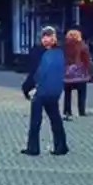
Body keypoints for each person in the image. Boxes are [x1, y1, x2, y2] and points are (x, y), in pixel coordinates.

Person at [21, 26, 68, 157]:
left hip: (41, 90)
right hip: (54, 90)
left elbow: (35, 73)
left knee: (36, 119)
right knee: (55, 118)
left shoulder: (38, 53)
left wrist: (26, 89)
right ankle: (61, 145)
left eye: (48, 36)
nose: (46, 39)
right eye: (44, 36)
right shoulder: (60, 53)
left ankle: (33, 148)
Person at [62, 29, 93, 119]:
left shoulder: (65, 47)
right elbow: (87, 61)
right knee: (82, 93)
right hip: (80, 74)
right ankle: (81, 111)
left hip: (67, 74)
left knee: (67, 93)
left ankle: (67, 110)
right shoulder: (83, 46)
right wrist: (90, 73)